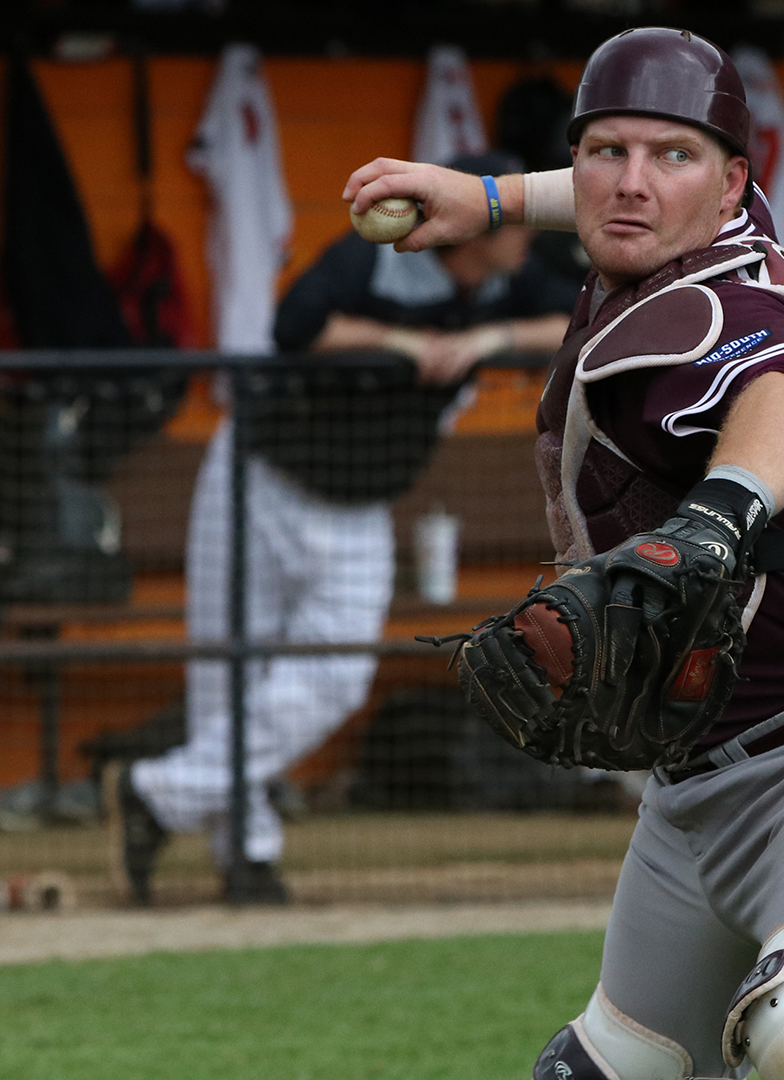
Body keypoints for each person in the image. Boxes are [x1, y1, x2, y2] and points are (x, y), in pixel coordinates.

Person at [346, 29, 784, 1080]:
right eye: (606, 151)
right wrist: (495, 201)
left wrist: (719, 512)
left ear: (733, 181)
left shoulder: (715, 307)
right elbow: (638, 177)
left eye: (672, 158)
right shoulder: (703, 232)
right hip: (693, 796)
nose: (631, 183)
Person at [106, 151, 577, 906]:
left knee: (339, 672)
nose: (520, 235)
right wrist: (406, 345)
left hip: (361, 503)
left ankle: (157, 793)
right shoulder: (376, 258)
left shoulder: (507, 282)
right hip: (262, 477)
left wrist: (486, 342)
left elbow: (581, 318)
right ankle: (247, 858)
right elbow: (297, 326)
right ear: (464, 231)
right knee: (228, 674)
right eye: (502, 221)